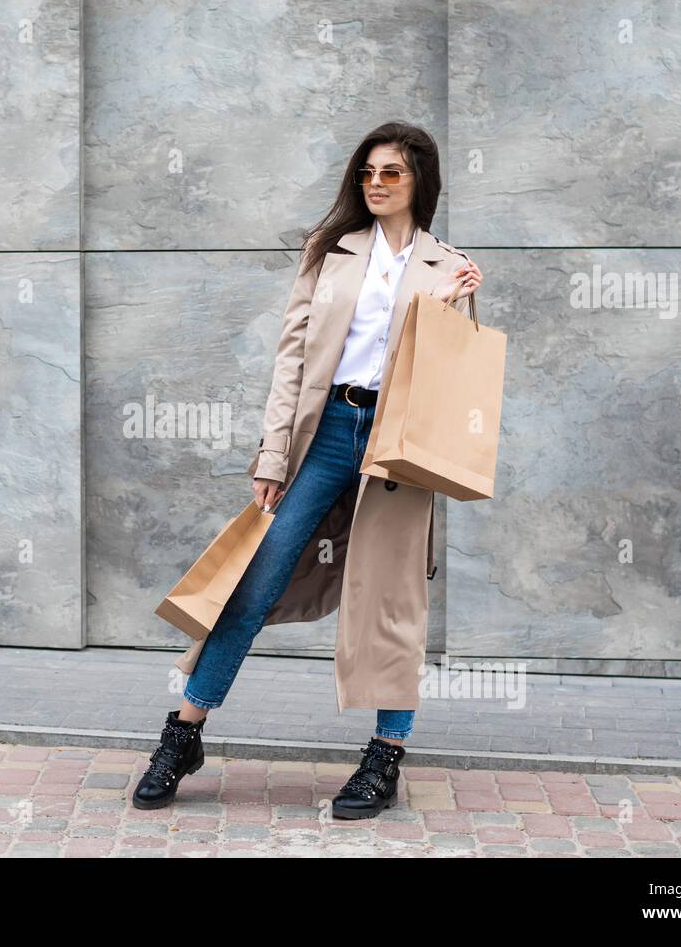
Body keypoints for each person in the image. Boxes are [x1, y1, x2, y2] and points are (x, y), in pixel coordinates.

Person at [133, 121, 482, 817]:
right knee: (252, 585)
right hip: (325, 436)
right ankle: (183, 735)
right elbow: (291, 361)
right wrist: (271, 455)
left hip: (397, 446)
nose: (376, 184)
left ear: (421, 183)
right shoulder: (331, 253)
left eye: (392, 173)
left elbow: (447, 380)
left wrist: (446, 307)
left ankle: (385, 756)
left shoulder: (451, 268)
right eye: (368, 173)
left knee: (391, 601)